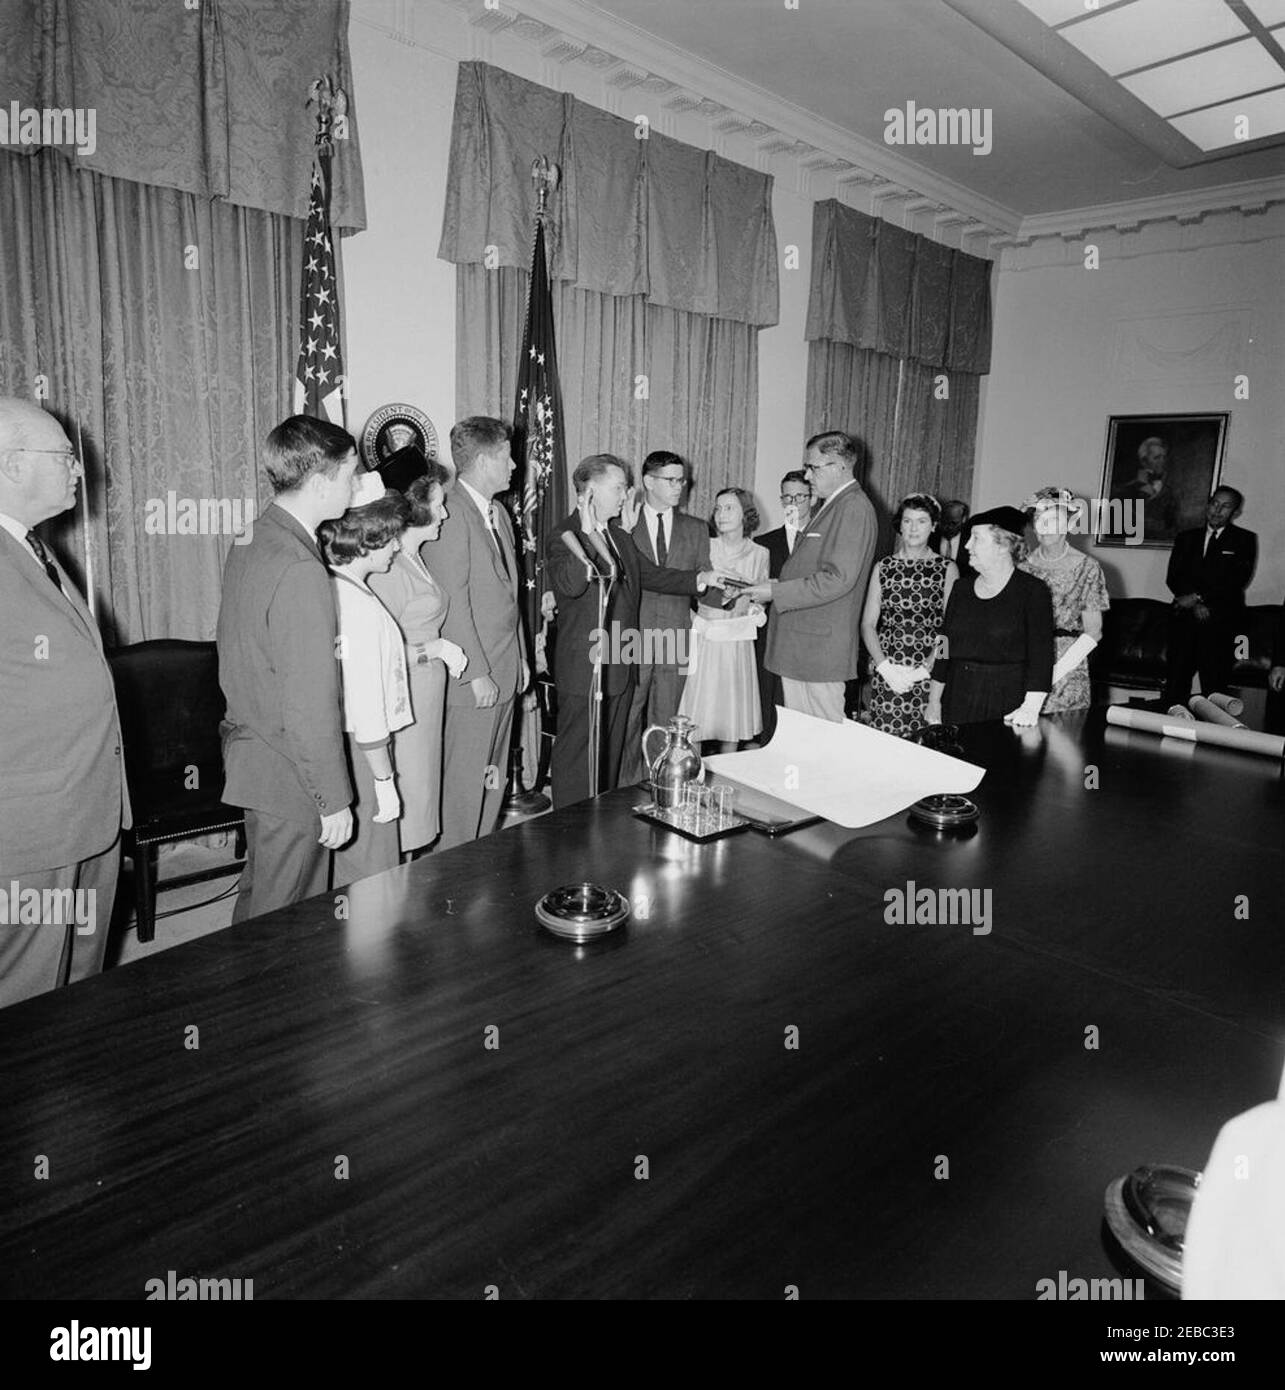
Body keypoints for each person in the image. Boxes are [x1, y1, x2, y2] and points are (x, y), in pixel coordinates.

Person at [0, 398, 129, 1007]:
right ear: (11, 465)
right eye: (63, 457)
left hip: (86, 807)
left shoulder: (35, 547)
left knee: (79, 979)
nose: (79, 470)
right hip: (29, 827)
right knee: (26, 988)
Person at [217, 415, 358, 923]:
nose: (354, 486)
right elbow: (308, 701)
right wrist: (332, 798)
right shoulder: (300, 566)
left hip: (255, 755)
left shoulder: (254, 537)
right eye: (349, 475)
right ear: (320, 483)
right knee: (287, 921)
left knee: (261, 902)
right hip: (289, 772)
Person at [545, 455, 721, 809]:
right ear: (590, 491)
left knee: (607, 756)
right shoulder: (565, 534)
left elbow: (651, 574)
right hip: (586, 667)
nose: (627, 495)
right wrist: (586, 528)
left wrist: (699, 579)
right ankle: (566, 827)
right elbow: (572, 583)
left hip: (619, 661)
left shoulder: (619, 536)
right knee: (578, 754)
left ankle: (599, 818)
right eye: (619, 488)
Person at [426, 418, 527, 850]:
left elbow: (509, 595)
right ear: (485, 461)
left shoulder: (499, 512)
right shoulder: (449, 512)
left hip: (504, 667)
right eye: (507, 456)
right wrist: (476, 673)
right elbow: (452, 601)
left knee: (493, 778)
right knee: (465, 784)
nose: (515, 464)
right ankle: (453, 872)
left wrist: (522, 656)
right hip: (475, 678)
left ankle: (479, 860)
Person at [738, 431, 878, 724]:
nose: (807, 474)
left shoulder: (853, 508)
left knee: (821, 746)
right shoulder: (834, 505)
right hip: (805, 650)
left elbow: (838, 579)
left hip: (818, 652)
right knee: (803, 741)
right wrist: (776, 585)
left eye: (813, 467)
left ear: (839, 466)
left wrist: (777, 593)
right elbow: (814, 571)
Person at [369, 456, 467, 857]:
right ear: (415, 508)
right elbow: (378, 653)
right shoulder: (389, 568)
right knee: (408, 790)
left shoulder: (415, 557)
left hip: (426, 694)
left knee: (423, 788)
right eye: (439, 503)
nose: (444, 512)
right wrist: (437, 649)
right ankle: (397, 879)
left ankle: (409, 872)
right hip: (404, 693)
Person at [318, 477, 414, 887]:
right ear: (369, 537)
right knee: (373, 869)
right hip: (363, 753)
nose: (397, 546)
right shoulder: (354, 605)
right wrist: (384, 779)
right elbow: (365, 703)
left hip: (355, 748)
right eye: (391, 537)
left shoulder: (346, 588)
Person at [621, 450, 709, 784]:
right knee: (627, 717)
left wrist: (728, 594)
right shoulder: (623, 523)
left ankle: (658, 783)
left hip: (675, 634)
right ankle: (621, 789)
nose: (679, 487)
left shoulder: (697, 528)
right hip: (628, 636)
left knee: (667, 719)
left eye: (682, 480)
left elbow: (704, 583)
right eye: (671, 480)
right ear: (648, 482)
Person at [927, 505, 1053, 727]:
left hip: (1006, 702)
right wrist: (934, 699)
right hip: (957, 697)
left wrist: (1031, 707)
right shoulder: (961, 588)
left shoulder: (1033, 591)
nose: (967, 546)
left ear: (1003, 545)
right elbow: (944, 643)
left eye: (976, 539)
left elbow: (1041, 656)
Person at [679, 488, 770, 752]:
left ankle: (727, 777)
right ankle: (691, 774)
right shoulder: (704, 546)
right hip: (705, 637)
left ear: (746, 514)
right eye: (718, 508)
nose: (721, 514)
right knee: (696, 713)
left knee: (732, 716)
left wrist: (754, 609)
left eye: (729, 508)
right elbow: (688, 588)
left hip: (736, 643)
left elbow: (759, 597)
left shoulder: (760, 553)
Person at [861, 493, 956, 736]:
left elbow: (951, 630)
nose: (913, 528)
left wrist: (926, 668)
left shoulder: (946, 568)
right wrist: (885, 668)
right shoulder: (884, 567)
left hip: (930, 677)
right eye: (907, 521)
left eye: (922, 521)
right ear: (900, 525)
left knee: (925, 750)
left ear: (934, 526)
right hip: (889, 674)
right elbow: (868, 625)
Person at [1162, 486, 1256, 707]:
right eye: (1215, 503)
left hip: (1220, 624)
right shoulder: (1186, 537)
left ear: (1235, 513)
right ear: (1208, 504)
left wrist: (1198, 597)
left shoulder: (1245, 540)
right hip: (1185, 622)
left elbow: (1236, 581)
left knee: (1215, 690)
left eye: (1225, 507)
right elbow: (1174, 577)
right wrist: (1193, 604)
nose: (1217, 510)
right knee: (1175, 687)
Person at [1019, 487, 1110, 713]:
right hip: (1024, 662)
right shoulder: (1021, 566)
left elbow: (1094, 631)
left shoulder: (1087, 567)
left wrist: (1054, 673)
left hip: (1066, 667)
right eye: (1039, 519)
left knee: (1061, 739)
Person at [754, 470, 812, 742]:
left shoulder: (824, 542)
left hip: (809, 638)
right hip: (772, 638)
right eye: (787, 497)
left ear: (812, 499)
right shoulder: (763, 544)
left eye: (799, 496)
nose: (793, 503)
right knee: (770, 708)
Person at [1115, 435, 1179, 542]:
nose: (1162, 462)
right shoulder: (1126, 490)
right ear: (1144, 461)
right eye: (1157, 458)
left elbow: (1172, 528)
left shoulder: (1169, 492)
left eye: (1164, 457)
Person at [932, 499, 973, 577]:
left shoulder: (971, 541)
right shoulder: (931, 537)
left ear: (964, 519)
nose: (948, 527)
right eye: (944, 522)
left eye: (953, 523)